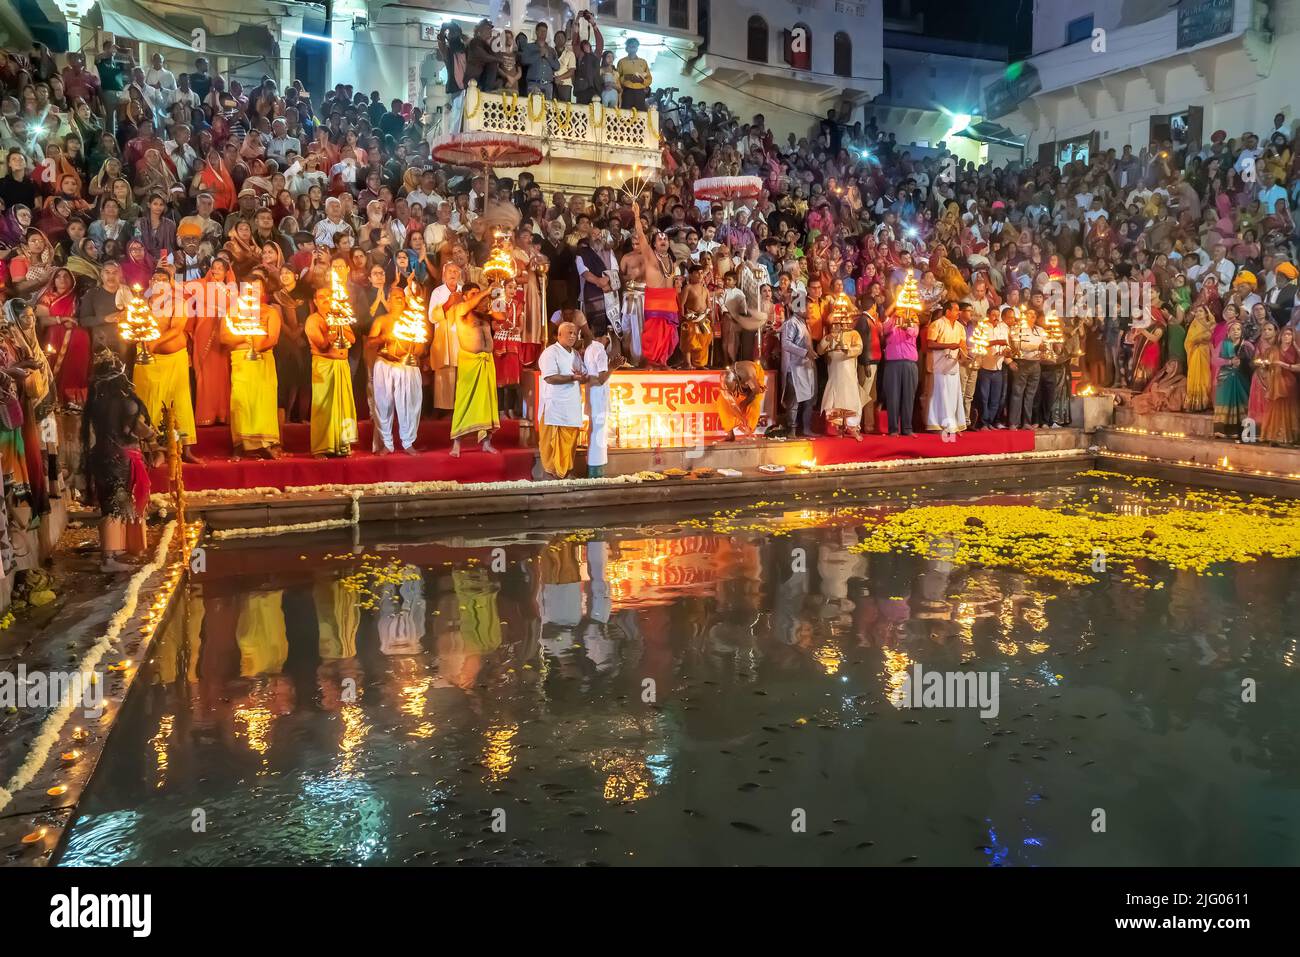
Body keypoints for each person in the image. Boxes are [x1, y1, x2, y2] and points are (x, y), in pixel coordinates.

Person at [82, 349, 154, 571]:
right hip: (118, 458)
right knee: (116, 504)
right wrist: (154, 436)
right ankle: (109, 559)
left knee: (109, 503)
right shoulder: (127, 403)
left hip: (100, 455)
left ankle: (115, 551)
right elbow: (133, 428)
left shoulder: (96, 402)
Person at [130, 282, 200, 463]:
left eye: (163, 277)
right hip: (147, 359)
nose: (158, 281)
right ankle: (155, 448)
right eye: (154, 278)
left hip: (174, 360)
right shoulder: (142, 303)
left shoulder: (178, 303)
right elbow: (132, 325)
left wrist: (155, 343)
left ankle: (184, 449)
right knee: (148, 402)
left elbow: (176, 328)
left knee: (179, 401)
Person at [219, 280, 282, 459]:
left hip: (263, 361)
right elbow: (224, 337)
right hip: (240, 361)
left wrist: (257, 348)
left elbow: (273, 338)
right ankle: (240, 444)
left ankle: (264, 444)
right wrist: (247, 340)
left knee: (263, 402)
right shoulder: (233, 312)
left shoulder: (270, 312)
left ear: (262, 291)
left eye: (256, 288)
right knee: (240, 401)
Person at [367, 288, 425, 455]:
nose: (399, 300)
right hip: (385, 365)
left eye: (401, 297)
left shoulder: (413, 319)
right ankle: (387, 444)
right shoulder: (382, 320)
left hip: (407, 367)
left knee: (409, 405)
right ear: (388, 300)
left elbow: (421, 347)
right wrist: (384, 338)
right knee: (383, 405)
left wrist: (415, 348)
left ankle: (408, 443)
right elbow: (369, 344)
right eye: (395, 297)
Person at [447, 282, 500, 458]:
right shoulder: (460, 309)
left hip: (487, 361)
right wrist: (486, 291)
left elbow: (502, 317)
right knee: (465, 400)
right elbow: (469, 305)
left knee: (488, 402)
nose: (478, 296)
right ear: (464, 296)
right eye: (473, 293)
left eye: (479, 293)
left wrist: (497, 296)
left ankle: (486, 443)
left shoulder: (484, 313)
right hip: (470, 362)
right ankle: (457, 444)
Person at [306, 281, 358, 457]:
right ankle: (321, 448)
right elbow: (321, 345)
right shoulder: (313, 320)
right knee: (324, 407)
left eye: (329, 296)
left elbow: (352, 338)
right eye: (322, 297)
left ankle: (342, 445)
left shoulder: (340, 315)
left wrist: (339, 324)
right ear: (315, 301)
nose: (326, 300)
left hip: (342, 365)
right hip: (324, 366)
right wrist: (334, 329)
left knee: (343, 406)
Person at [537, 320, 587, 478]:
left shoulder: (576, 354)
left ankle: (566, 470)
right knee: (552, 440)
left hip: (572, 404)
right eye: (569, 333)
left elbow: (583, 377)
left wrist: (582, 377)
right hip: (555, 405)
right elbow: (550, 378)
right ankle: (552, 472)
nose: (573, 336)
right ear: (559, 335)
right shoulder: (550, 352)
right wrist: (573, 377)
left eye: (575, 333)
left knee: (571, 439)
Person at [818, 310, 865, 439]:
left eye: (839, 323)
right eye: (834, 323)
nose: (836, 326)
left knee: (851, 397)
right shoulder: (830, 336)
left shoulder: (853, 334)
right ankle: (838, 427)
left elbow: (859, 348)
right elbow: (820, 350)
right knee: (835, 398)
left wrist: (847, 350)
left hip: (848, 371)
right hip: (834, 372)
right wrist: (828, 338)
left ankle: (853, 427)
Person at [925, 300, 967, 433]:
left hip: (954, 366)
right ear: (948, 311)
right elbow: (930, 344)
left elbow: (962, 345)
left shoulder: (960, 327)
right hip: (939, 365)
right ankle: (936, 425)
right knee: (940, 395)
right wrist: (949, 345)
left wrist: (965, 355)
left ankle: (952, 425)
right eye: (956, 310)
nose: (958, 312)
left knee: (953, 396)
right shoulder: (936, 324)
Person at [583, 321, 613, 476]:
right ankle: (596, 473)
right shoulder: (600, 351)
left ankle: (593, 470)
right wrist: (613, 367)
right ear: (605, 337)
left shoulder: (589, 349)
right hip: (598, 395)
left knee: (594, 430)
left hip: (593, 395)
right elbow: (602, 378)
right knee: (599, 433)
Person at [718, 360, 766, 440]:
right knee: (722, 401)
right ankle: (730, 435)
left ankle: (749, 430)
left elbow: (756, 392)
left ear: (737, 382)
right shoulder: (724, 378)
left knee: (753, 404)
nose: (733, 394)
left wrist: (745, 402)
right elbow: (731, 403)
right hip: (741, 387)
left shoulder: (748, 376)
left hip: (755, 388)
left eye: (733, 390)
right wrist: (742, 419)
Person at [615, 39, 651, 110]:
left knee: (640, 114)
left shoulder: (643, 62)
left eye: (634, 46)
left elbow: (649, 79)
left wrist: (642, 81)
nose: (633, 48)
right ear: (626, 48)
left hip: (640, 92)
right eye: (630, 46)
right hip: (627, 91)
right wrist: (626, 77)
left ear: (637, 48)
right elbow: (617, 79)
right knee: (626, 114)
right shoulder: (622, 62)